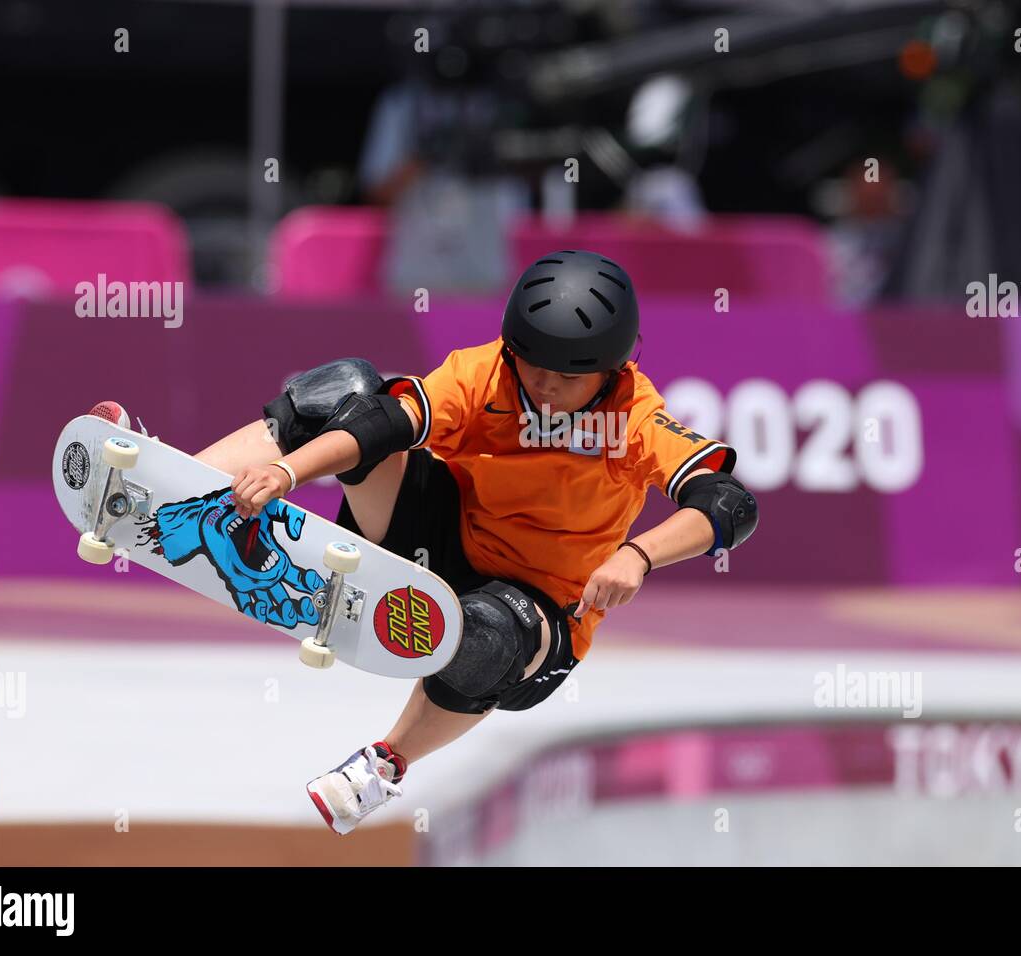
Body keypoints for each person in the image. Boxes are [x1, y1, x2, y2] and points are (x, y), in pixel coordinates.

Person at [99, 250, 759, 834]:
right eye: (531, 366)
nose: (543, 386)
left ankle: (383, 765)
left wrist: (638, 554)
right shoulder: (485, 377)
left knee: (487, 635)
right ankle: (168, 491)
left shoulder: (636, 418)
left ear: (612, 370)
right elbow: (386, 422)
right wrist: (288, 471)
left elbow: (727, 503)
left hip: (541, 619)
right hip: (433, 544)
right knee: (348, 392)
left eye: (565, 376)